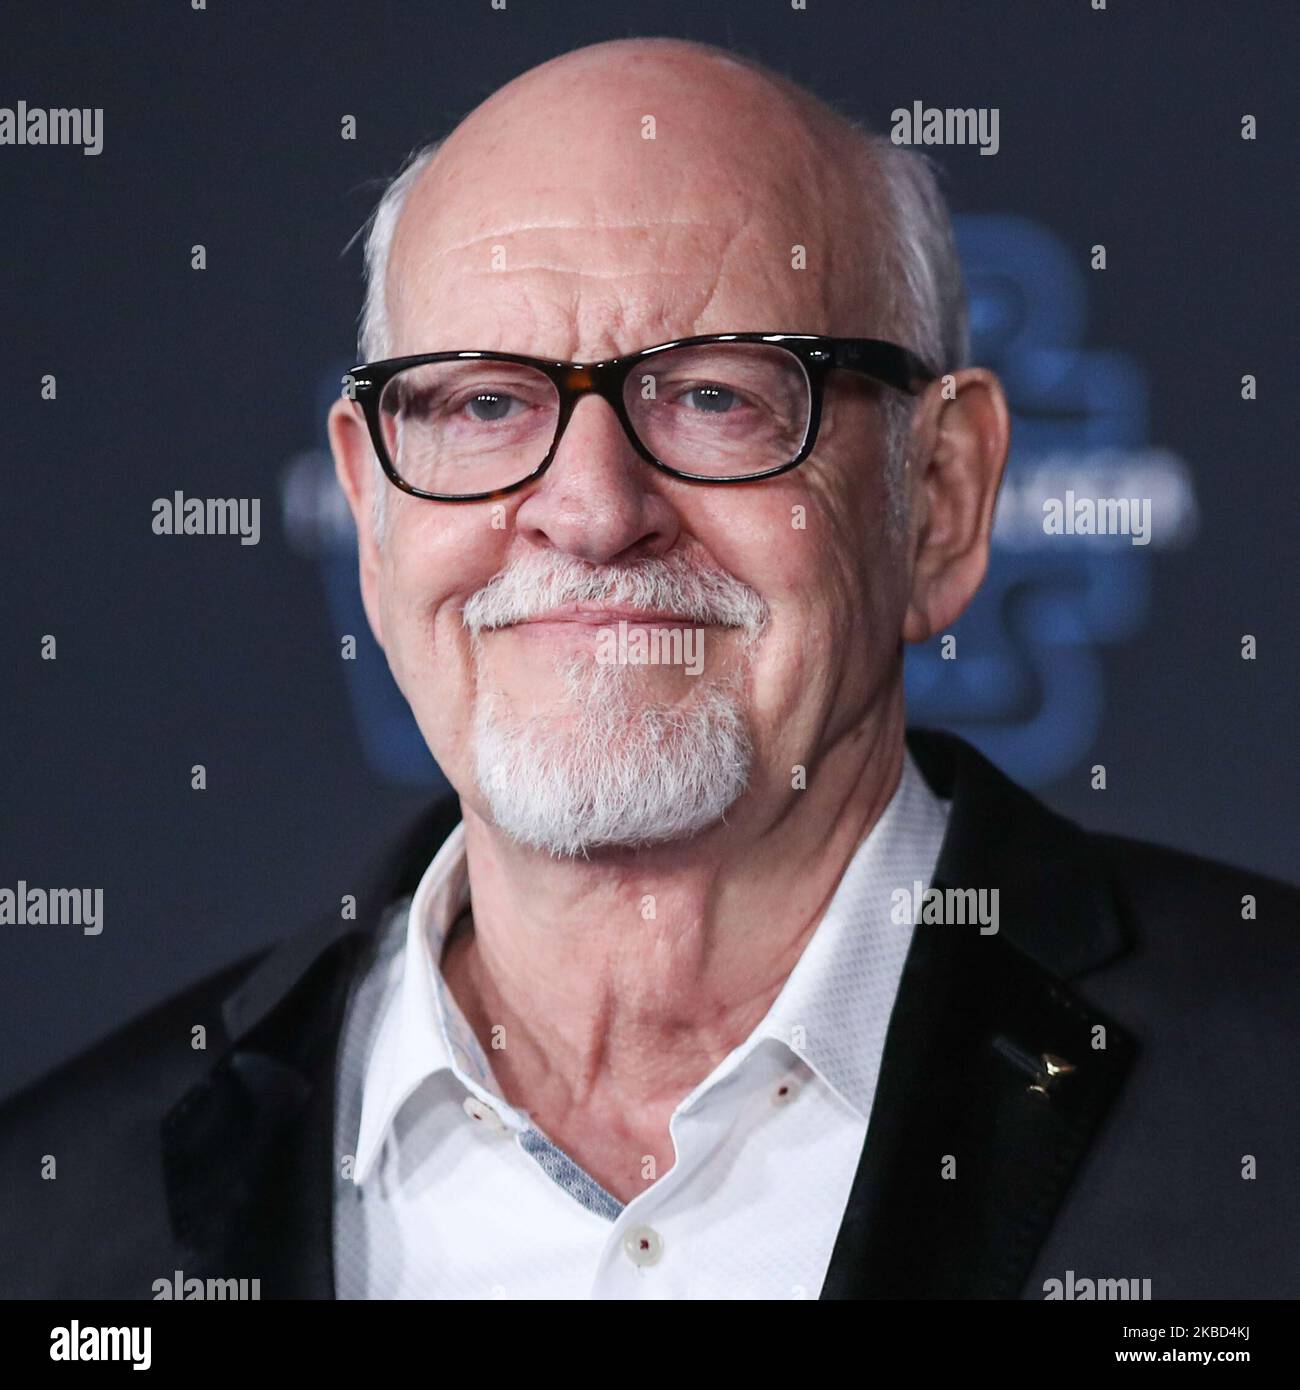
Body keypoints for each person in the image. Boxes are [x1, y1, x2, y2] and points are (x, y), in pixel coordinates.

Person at [2, 37, 1296, 1301]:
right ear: (370, 513)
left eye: (718, 395)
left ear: (941, 495)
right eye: (484, 406)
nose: (592, 508)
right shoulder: (52, 1211)